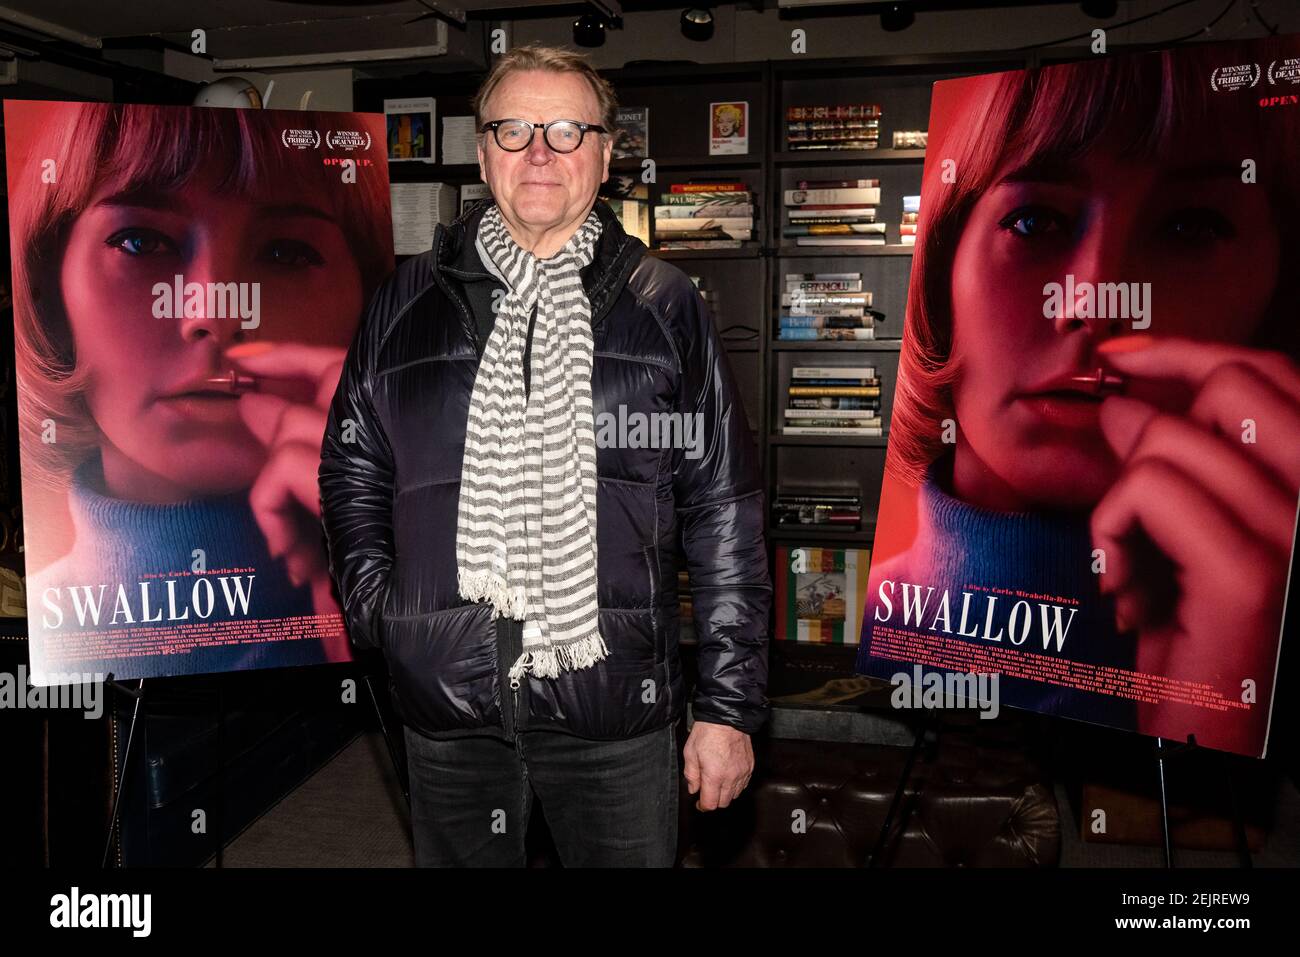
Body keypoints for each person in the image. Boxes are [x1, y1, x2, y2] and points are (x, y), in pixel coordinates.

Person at [318, 43, 771, 867]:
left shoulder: (666, 308)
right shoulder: (401, 304)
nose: (539, 151)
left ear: (604, 156)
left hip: (615, 705)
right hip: (447, 703)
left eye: (567, 130)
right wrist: (382, 610)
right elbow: (353, 466)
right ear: (483, 151)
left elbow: (723, 510)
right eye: (515, 128)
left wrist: (729, 707)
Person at [859, 36, 1300, 758]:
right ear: (942, 277)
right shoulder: (863, 632)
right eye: (1036, 221)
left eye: (1190, 226)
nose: (1095, 299)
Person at [10, 102, 392, 676]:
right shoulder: (40, 658)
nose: (213, 311)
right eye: (141, 242)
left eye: (285, 251)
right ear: (49, 285)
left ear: (366, 295)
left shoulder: (425, 584)